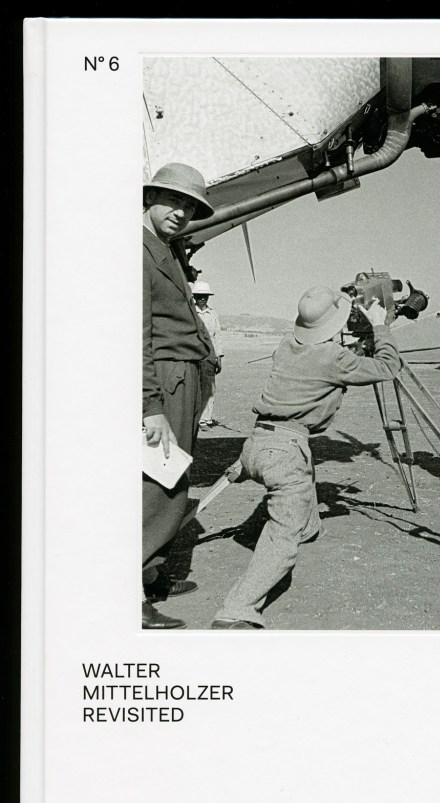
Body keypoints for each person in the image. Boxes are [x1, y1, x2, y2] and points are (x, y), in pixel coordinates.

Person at [211, 287, 402, 629]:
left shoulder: (287, 344)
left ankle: (308, 526)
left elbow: (315, 365)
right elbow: (388, 367)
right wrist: (380, 326)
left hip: (255, 445)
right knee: (282, 533)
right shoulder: (335, 358)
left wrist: (354, 349)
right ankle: (236, 610)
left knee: (299, 476)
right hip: (285, 452)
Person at [142, 163, 216, 629]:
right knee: (158, 485)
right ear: (150, 197)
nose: (181, 212)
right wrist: (151, 407)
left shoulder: (161, 249)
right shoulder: (136, 251)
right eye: (173, 200)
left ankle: (149, 576)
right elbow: (138, 334)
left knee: (172, 479)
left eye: (189, 206)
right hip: (165, 382)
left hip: (183, 380)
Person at [192, 280, 224, 429]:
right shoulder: (190, 312)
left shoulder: (213, 314)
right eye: (200, 296)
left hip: (209, 357)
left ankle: (206, 419)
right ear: (195, 296)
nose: (203, 299)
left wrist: (219, 357)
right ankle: (194, 419)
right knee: (193, 388)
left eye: (205, 296)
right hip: (193, 356)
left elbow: (217, 336)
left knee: (209, 388)